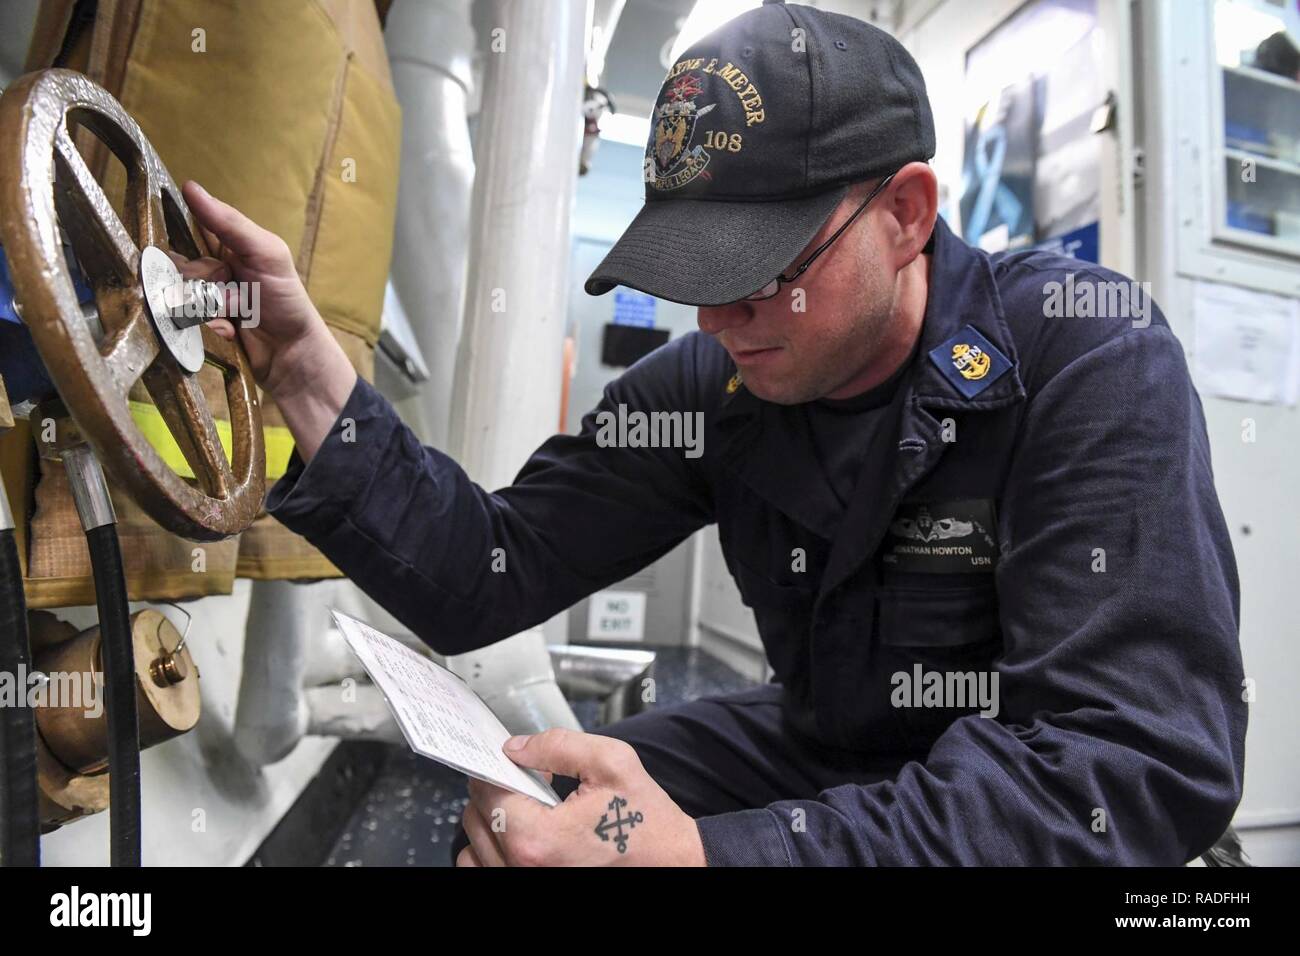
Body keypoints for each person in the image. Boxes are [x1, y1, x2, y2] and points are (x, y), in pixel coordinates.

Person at [178, 1, 1246, 866]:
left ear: (907, 211)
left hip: (1031, 800)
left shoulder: (1087, 356)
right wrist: (308, 374)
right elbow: (483, 570)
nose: (720, 321)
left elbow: (1127, 767)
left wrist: (707, 854)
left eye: (761, 274)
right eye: (691, 280)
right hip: (831, 744)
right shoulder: (711, 384)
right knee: (557, 800)